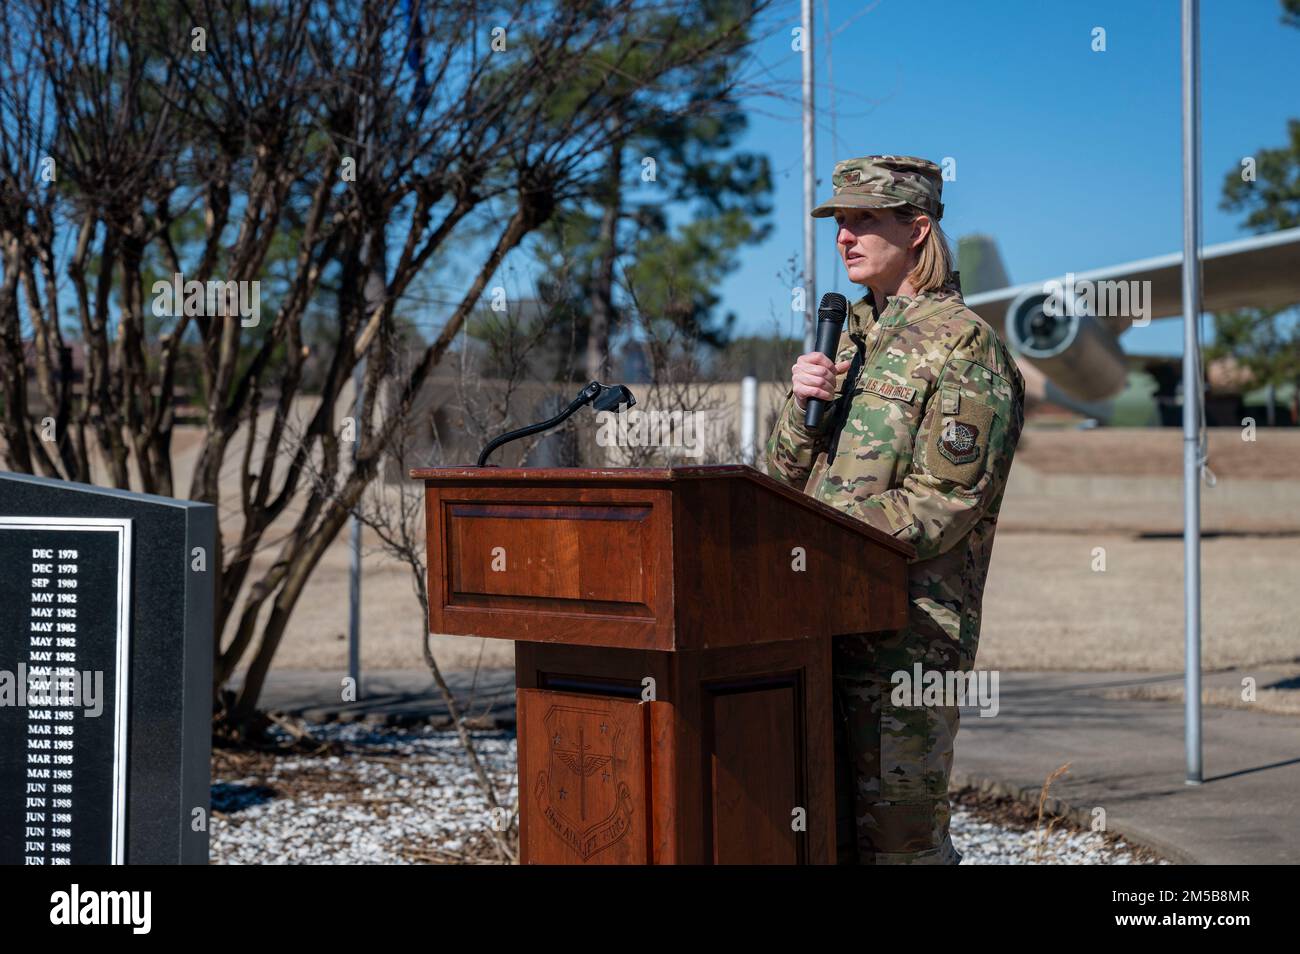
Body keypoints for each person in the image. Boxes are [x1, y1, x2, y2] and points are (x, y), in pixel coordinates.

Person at [764, 155, 1025, 864]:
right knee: (821, 832)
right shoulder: (843, 336)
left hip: (906, 643)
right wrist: (801, 407)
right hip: (815, 623)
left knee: (901, 844)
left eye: (863, 220)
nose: (844, 237)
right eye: (839, 222)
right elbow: (779, 482)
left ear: (917, 229)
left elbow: (943, 506)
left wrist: (819, 545)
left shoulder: (963, 346)